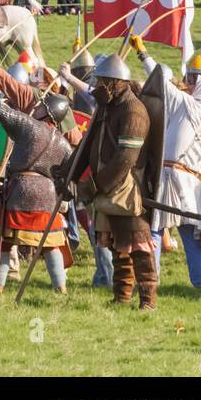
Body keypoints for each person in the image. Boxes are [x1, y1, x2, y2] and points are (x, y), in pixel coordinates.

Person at [131, 40, 201, 287]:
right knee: (192, 235)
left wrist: (142, 53)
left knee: (156, 230)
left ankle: (150, 282)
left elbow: (159, 78)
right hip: (189, 182)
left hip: (168, 176)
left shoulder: (184, 103)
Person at [0, 73, 73, 293]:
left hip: (20, 192)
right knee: (51, 245)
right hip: (48, 196)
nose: (36, 107)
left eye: (41, 106)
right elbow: (66, 177)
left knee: (4, 244)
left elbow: (1, 111)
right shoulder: (64, 145)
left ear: (48, 112)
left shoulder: (29, 126)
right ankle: (61, 289)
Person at [66, 54, 158, 309]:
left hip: (128, 188)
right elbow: (87, 146)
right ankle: (121, 296)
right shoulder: (106, 107)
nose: (98, 87)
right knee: (118, 247)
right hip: (108, 187)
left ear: (117, 83)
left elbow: (124, 159)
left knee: (138, 246)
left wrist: (94, 185)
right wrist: (68, 173)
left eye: (103, 82)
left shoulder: (133, 111)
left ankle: (148, 301)